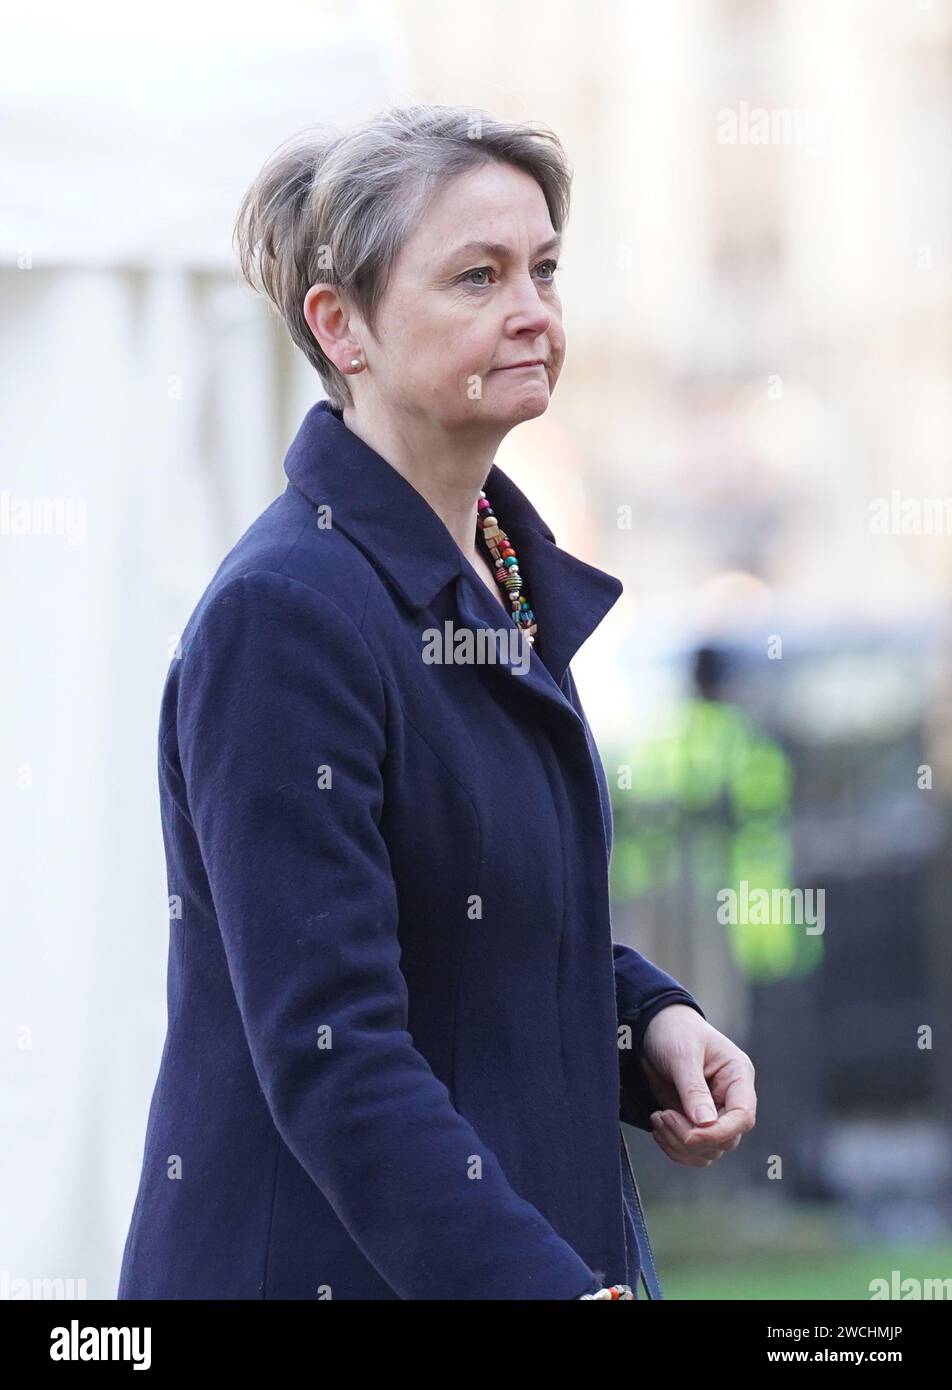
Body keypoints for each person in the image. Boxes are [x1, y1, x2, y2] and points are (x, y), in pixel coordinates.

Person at [116, 103, 756, 1302]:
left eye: (544, 269)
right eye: (477, 276)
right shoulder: (287, 615)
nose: (532, 309)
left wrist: (649, 1023)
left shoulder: (499, 573)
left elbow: (471, 920)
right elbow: (332, 1044)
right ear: (339, 326)